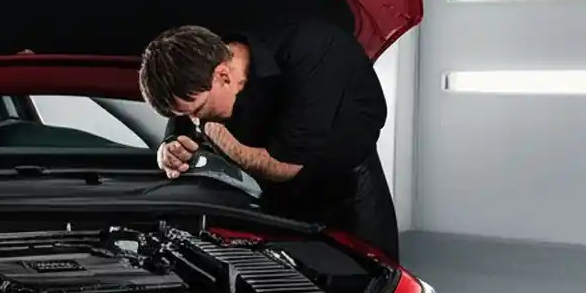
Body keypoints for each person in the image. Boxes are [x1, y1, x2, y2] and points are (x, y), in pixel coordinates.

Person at [138, 21, 400, 261]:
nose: (195, 120)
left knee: (373, 274)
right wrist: (169, 143)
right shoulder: (205, 70)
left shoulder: (313, 54)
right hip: (273, 194)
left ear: (223, 76)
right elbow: (185, 115)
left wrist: (213, 131)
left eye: (198, 111)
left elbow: (283, 167)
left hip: (347, 185)